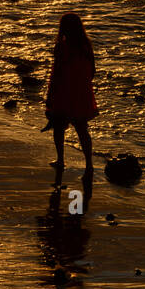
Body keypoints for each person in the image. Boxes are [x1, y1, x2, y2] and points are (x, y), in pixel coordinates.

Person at [42, 11, 97, 176]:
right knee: (81, 129)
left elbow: (57, 72)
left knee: (58, 127)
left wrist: (50, 95)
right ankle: (89, 165)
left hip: (63, 91)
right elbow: (93, 71)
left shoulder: (61, 46)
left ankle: (60, 160)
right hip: (81, 92)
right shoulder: (86, 46)